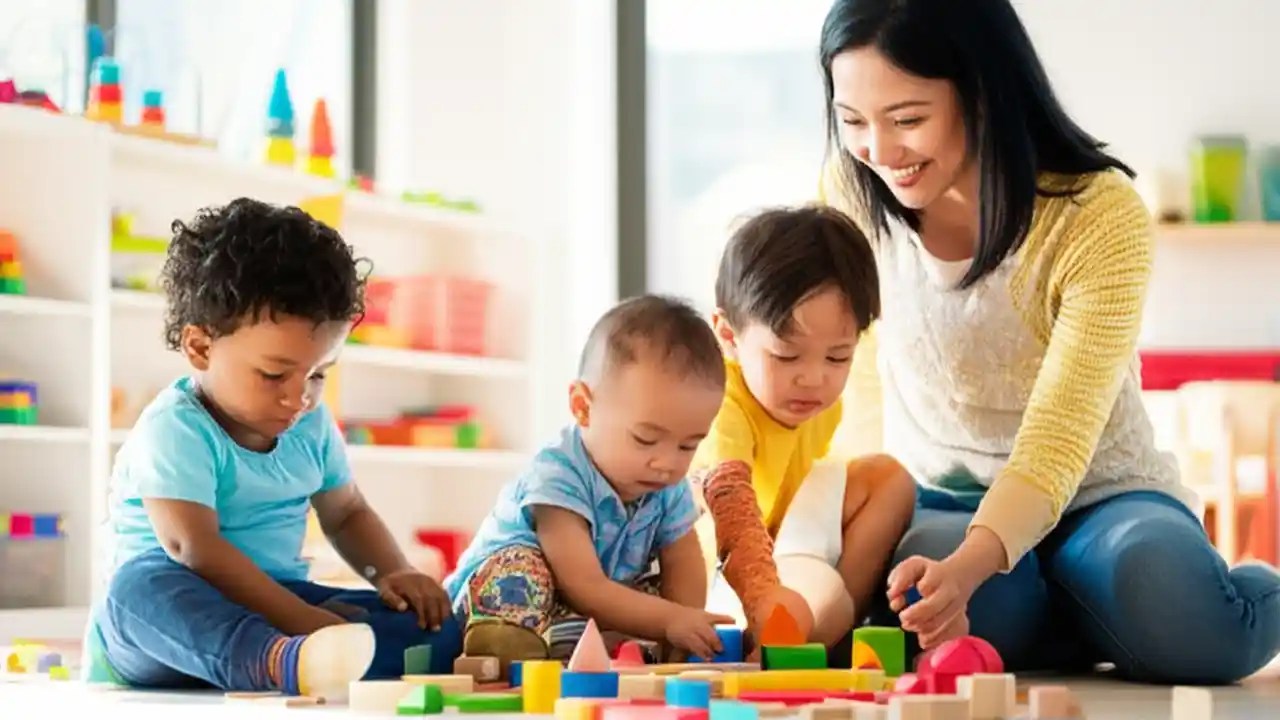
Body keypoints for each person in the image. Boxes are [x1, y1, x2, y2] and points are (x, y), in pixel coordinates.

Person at [815, 0, 1280, 683]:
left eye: (907, 119)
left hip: (1105, 496)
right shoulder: (850, 198)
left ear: (981, 91)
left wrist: (979, 564)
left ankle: (1096, 603)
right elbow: (847, 377)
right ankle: (1074, 613)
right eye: (852, 121)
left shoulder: (1097, 213)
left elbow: (1063, 426)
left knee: (1191, 626)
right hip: (950, 496)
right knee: (933, 611)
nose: (879, 153)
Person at [83, 198, 461, 700]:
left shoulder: (310, 424)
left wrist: (395, 573)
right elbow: (193, 549)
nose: (299, 396)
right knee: (137, 589)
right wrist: (307, 623)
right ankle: (283, 660)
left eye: (319, 374)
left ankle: (322, 658)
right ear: (200, 348)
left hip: (275, 603)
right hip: (161, 627)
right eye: (274, 374)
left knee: (431, 621)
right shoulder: (174, 427)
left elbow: (346, 513)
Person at [444, 295, 735, 663]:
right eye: (645, 439)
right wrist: (668, 620)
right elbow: (582, 584)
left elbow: (685, 560)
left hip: (580, 607)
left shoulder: (666, 485)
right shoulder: (558, 475)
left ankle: (575, 644)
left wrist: (685, 624)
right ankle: (505, 643)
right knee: (521, 571)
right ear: (583, 407)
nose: (666, 463)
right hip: (500, 599)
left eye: (688, 446)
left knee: (658, 597)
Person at [691, 206, 917, 652]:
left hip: (784, 550)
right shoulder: (718, 397)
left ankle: (836, 623)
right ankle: (787, 632)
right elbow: (730, 506)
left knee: (891, 479)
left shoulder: (816, 403)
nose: (814, 379)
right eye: (786, 356)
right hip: (719, 567)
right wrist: (763, 596)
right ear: (729, 335)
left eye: (838, 357)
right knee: (790, 593)